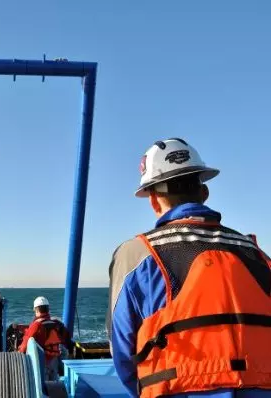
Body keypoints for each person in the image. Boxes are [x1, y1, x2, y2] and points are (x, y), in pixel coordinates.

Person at [106, 138, 271, 397]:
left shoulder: (136, 255)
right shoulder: (258, 254)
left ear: (153, 200)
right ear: (204, 193)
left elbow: (123, 352)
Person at [18, 296, 74, 381]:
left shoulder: (36, 325)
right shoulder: (56, 323)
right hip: (54, 361)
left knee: (44, 387)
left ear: (36, 310)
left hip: (42, 361)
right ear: (48, 309)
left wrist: (18, 354)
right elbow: (67, 337)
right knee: (54, 385)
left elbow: (25, 345)